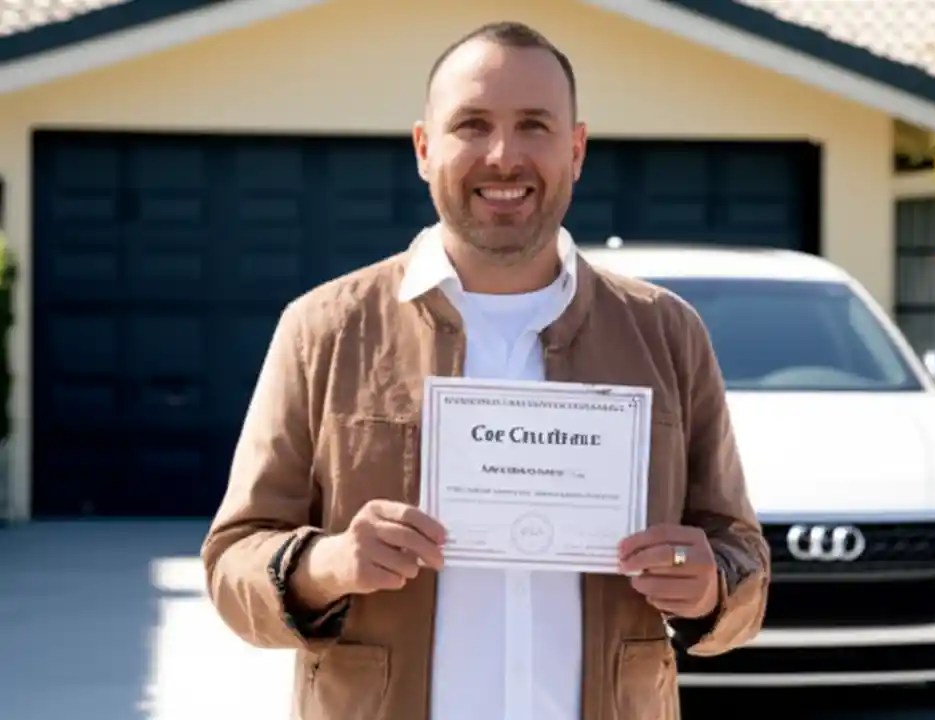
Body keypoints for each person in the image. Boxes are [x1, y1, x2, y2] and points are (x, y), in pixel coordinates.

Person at [200, 19, 769, 720]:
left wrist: (711, 589)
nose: (504, 156)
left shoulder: (665, 333)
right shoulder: (325, 329)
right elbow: (232, 567)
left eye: (534, 125)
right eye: (472, 124)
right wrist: (331, 564)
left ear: (577, 149)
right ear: (423, 147)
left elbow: (744, 563)